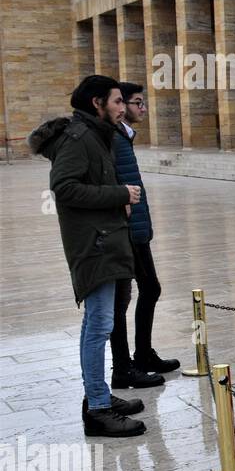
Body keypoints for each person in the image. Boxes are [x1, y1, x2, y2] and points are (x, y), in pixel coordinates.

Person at [28, 75, 147, 437]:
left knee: (98, 323)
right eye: (115, 101)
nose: (122, 108)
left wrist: (116, 202)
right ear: (97, 103)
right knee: (98, 326)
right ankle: (97, 408)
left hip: (106, 240)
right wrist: (119, 195)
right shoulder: (78, 139)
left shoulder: (96, 135)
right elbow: (64, 189)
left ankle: (98, 395)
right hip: (94, 246)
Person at [109, 82, 180, 387]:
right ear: (120, 105)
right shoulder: (114, 138)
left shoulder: (123, 137)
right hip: (127, 231)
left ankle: (140, 356)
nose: (143, 109)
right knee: (137, 293)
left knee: (146, 290)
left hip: (136, 228)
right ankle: (127, 365)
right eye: (138, 103)